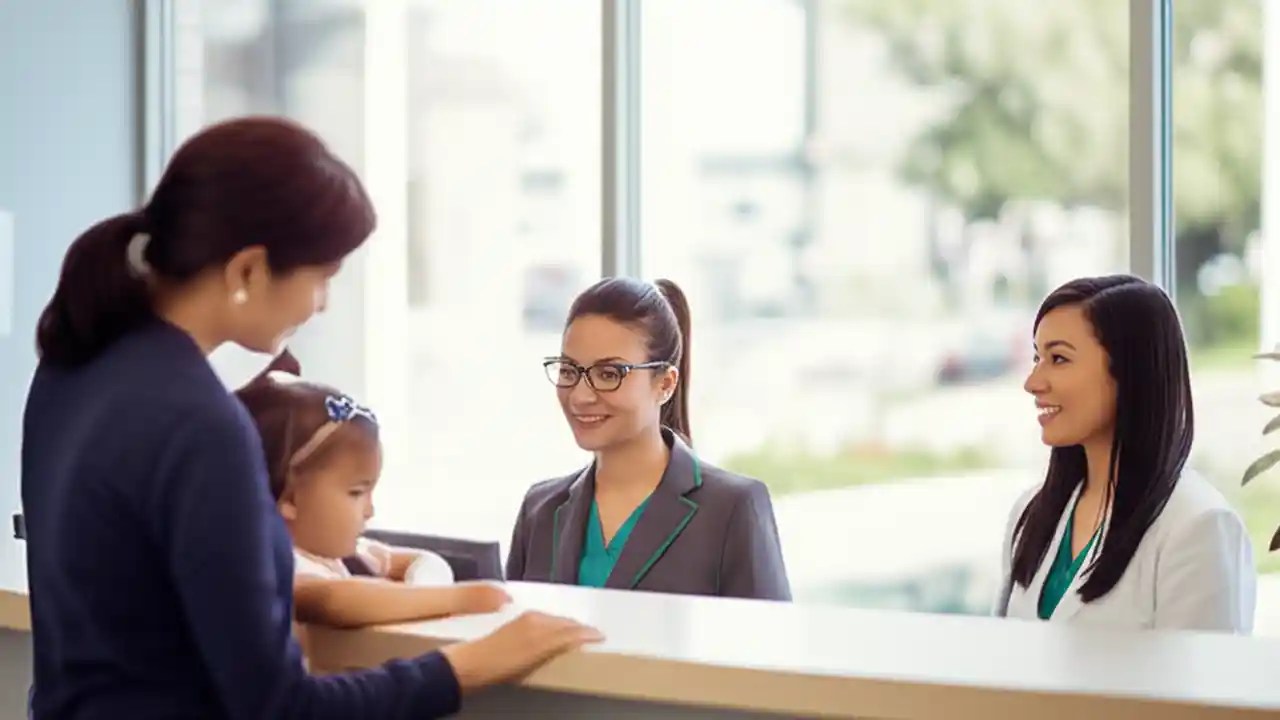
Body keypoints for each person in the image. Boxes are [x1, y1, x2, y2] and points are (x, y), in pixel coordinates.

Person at [21, 116, 599, 720]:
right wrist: (468, 667)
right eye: (322, 278)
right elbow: (279, 707)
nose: (321, 304)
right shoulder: (200, 425)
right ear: (248, 270)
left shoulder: (71, 365)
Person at [994, 275, 1255, 632]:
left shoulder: (1198, 527)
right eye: (1037, 357)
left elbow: (1206, 685)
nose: (1033, 382)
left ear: (1130, 370)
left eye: (1058, 358)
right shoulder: (1029, 514)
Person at [506, 277, 791, 600]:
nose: (581, 395)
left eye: (609, 374)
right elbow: (510, 642)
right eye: (569, 371)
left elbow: (766, 645)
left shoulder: (731, 509)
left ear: (666, 384)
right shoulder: (541, 509)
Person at [234, 351, 510, 631]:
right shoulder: (276, 565)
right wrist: (458, 598)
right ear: (290, 497)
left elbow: (421, 561)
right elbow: (334, 600)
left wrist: (420, 591)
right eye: (356, 493)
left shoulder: (347, 554)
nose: (370, 511)